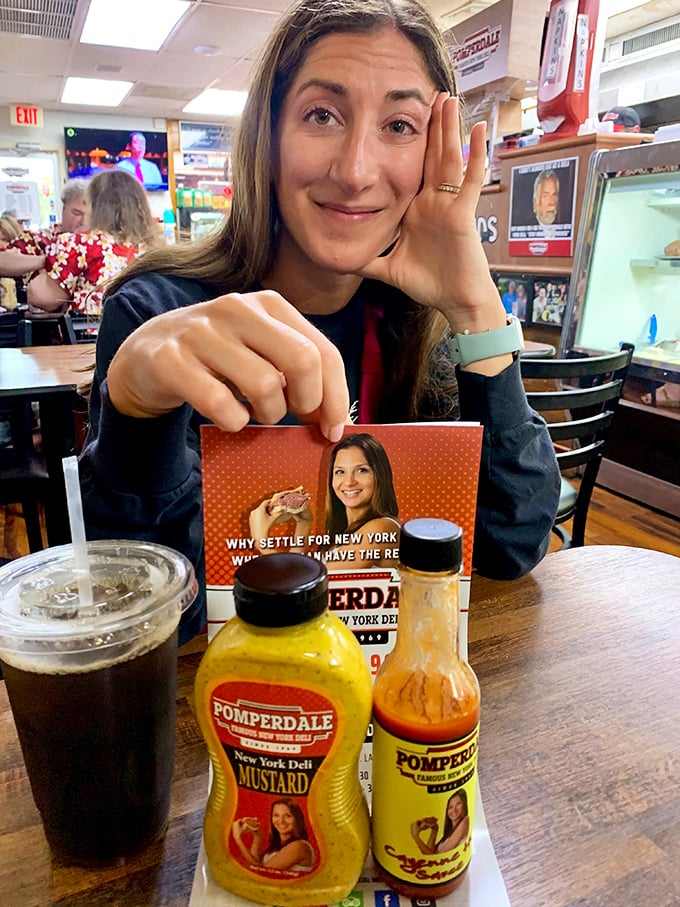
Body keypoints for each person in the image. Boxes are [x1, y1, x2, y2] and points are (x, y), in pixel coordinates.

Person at [79, 0, 561, 645]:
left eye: (399, 124)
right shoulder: (162, 314)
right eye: (322, 115)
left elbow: (509, 546)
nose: (356, 171)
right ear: (268, 137)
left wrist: (476, 309)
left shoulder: (426, 320)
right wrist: (136, 414)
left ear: (433, 154)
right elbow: (151, 610)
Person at [6, 170, 160, 317]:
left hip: (93, 339)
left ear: (95, 205)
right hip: (147, 338)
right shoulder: (155, 248)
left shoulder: (80, 243)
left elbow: (42, 297)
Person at [249, 432, 400, 568]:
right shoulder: (344, 532)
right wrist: (303, 524)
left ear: (380, 475)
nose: (348, 482)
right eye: (340, 472)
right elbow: (298, 573)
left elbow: (304, 586)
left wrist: (261, 540)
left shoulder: (382, 528)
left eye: (362, 470)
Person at [0, 179, 88, 280]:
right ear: (63, 209)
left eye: (90, 216)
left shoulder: (102, 244)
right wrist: (49, 260)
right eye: (77, 213)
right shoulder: (40, 240)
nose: (83, 222)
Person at [232, 798, 315, 871]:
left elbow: (262, 871)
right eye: (276, 815)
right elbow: (257, 862)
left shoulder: (299, 846)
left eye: (288, 816)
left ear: (297, 819)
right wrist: (257, 835)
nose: (281, 821)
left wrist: (238, 838)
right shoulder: (278, 846)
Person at [411, 789, 470, 854]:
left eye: (458, 804)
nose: (454, 810)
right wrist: (435, 830)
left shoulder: (465, 821)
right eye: (450, 807)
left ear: (464, 804)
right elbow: (430, 852)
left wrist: (415, 836)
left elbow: (435, 857)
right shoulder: (449, 834)